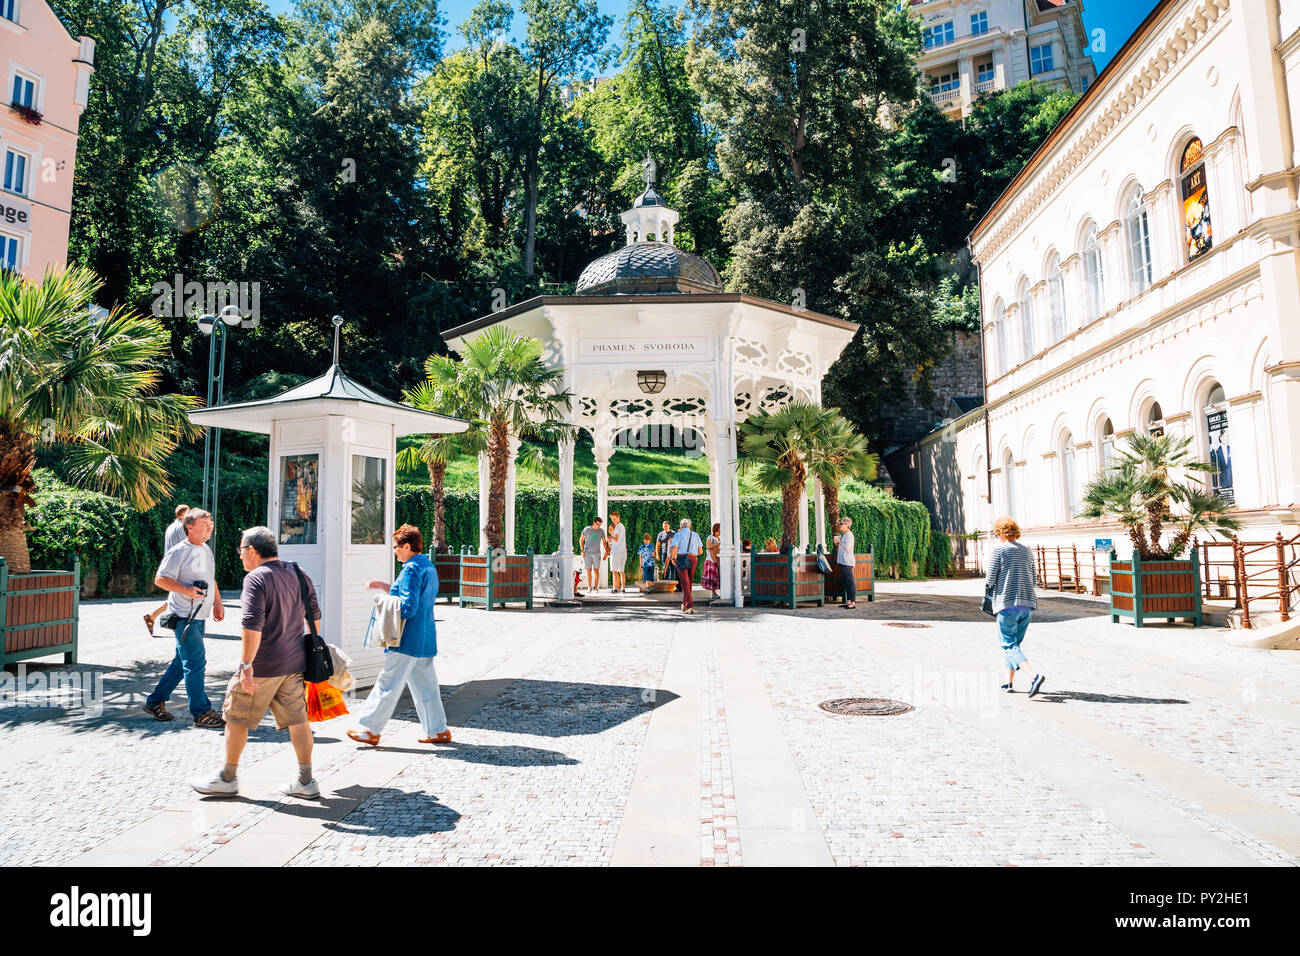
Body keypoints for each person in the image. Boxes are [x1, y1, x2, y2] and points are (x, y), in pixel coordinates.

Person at [190, 526, 324, 798]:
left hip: (263, 665)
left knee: (236, 717)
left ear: (252, 550)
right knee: (299, 721)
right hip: (295, 661)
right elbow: (314, 618)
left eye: (241, 550)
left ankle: (227, 778)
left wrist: (245, 666)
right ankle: (306, 781)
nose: (240, 556)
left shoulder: (256, 578)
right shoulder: (299, 574)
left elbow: (252, 625)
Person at [348, 524, 451, 747]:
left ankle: (369, 729)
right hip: (424, 637)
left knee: (388, 682)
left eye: (396, 547)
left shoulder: (412, 569)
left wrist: (383, 602)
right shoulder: (426, 565)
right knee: (426, 687)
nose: (394, 551)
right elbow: (410, 594)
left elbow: (407, 607)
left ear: (406, 546)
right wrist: (382, 586)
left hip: (407, 638)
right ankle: (438, 730)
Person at [144, 508, 225, 728]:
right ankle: (201, 712)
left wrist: (217, 602)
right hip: (184, 618)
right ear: (189, 527)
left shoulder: (206, 549)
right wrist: (186, 590)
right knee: (195, 663)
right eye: (204, 523)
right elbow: (161, 579)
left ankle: (154, 701)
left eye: (211, 522)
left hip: (199, 617)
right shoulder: (179, 551)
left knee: (182, 663)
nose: (210, 526)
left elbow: (211, 578)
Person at [984, 516, 1045, 697]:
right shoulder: (1027, 551)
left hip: (1007, 603)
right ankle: (1008, 682)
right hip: (1027, 604)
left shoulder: (999, 551)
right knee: (1014, 645)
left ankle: (1034, 676)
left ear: (1001, 533)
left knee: (1008, 645)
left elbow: (990, 579)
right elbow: (1034, 579)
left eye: (997, 533)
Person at [144, 504, 190, 636]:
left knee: (178, 594)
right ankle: (157, 618)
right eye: (188, 513)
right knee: (182, 594)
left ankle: (152, 617)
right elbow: (188, 544)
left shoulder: (170, 527)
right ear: (182, 514)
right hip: (180, 565)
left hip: (171, 564)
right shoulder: (181, 527)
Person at [667, 518, 703, 614]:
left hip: (682, 559)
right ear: (690, 526)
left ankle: (689, 606)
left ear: (680, 526)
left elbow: (675, 548)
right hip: (693, 559)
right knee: (689, 583)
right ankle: (684, 604)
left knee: (685, 583)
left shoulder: (678, 535)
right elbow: (700, 551)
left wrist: (672, 558)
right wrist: (692, 555)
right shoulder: (695, 535)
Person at [833, 516, 857, 609]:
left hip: (847, 562)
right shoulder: (845, 535)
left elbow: (848, 548)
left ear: (846, 525)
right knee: (846, 582)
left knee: (850, 582)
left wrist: (840, 542)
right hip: (844, 561)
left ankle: (853, 602)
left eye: (841, 524)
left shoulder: (849, 535)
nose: (840, 525)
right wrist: (839, 543)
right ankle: (848, 601)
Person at [579, 517, 605, 593]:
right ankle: (589, 587)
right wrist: (582, 550)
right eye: (598, 524)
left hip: (597, 553)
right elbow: (581, 539)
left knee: (596, 570)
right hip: (587, 553)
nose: (599, 526)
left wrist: (607, 551)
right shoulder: (587, 529)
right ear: (594, 523)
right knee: (588, 570)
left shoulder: (601, 531)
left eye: (600, 525)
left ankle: (596, 587)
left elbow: (604, 542)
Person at [606, 511, 627, 592]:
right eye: (612, 519)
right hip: (623, 552)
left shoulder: (618, 527)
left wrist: (610, 538)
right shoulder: (622, 526)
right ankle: (622, 588)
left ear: (618, 517)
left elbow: (616, 539)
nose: (613, 520)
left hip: (616, 552)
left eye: (615, 518)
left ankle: (615, 588)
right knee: (621, 571)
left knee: (614, 571)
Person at [702, 522, 722, 600]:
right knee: (712, 577)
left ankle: (715, 593)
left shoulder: (718, 538)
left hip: (716, 559)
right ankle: (713, 593)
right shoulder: (710, 537)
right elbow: (708, 547)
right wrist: (717, 545)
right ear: (716, 529)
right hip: (711, 559)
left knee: (715, 577)